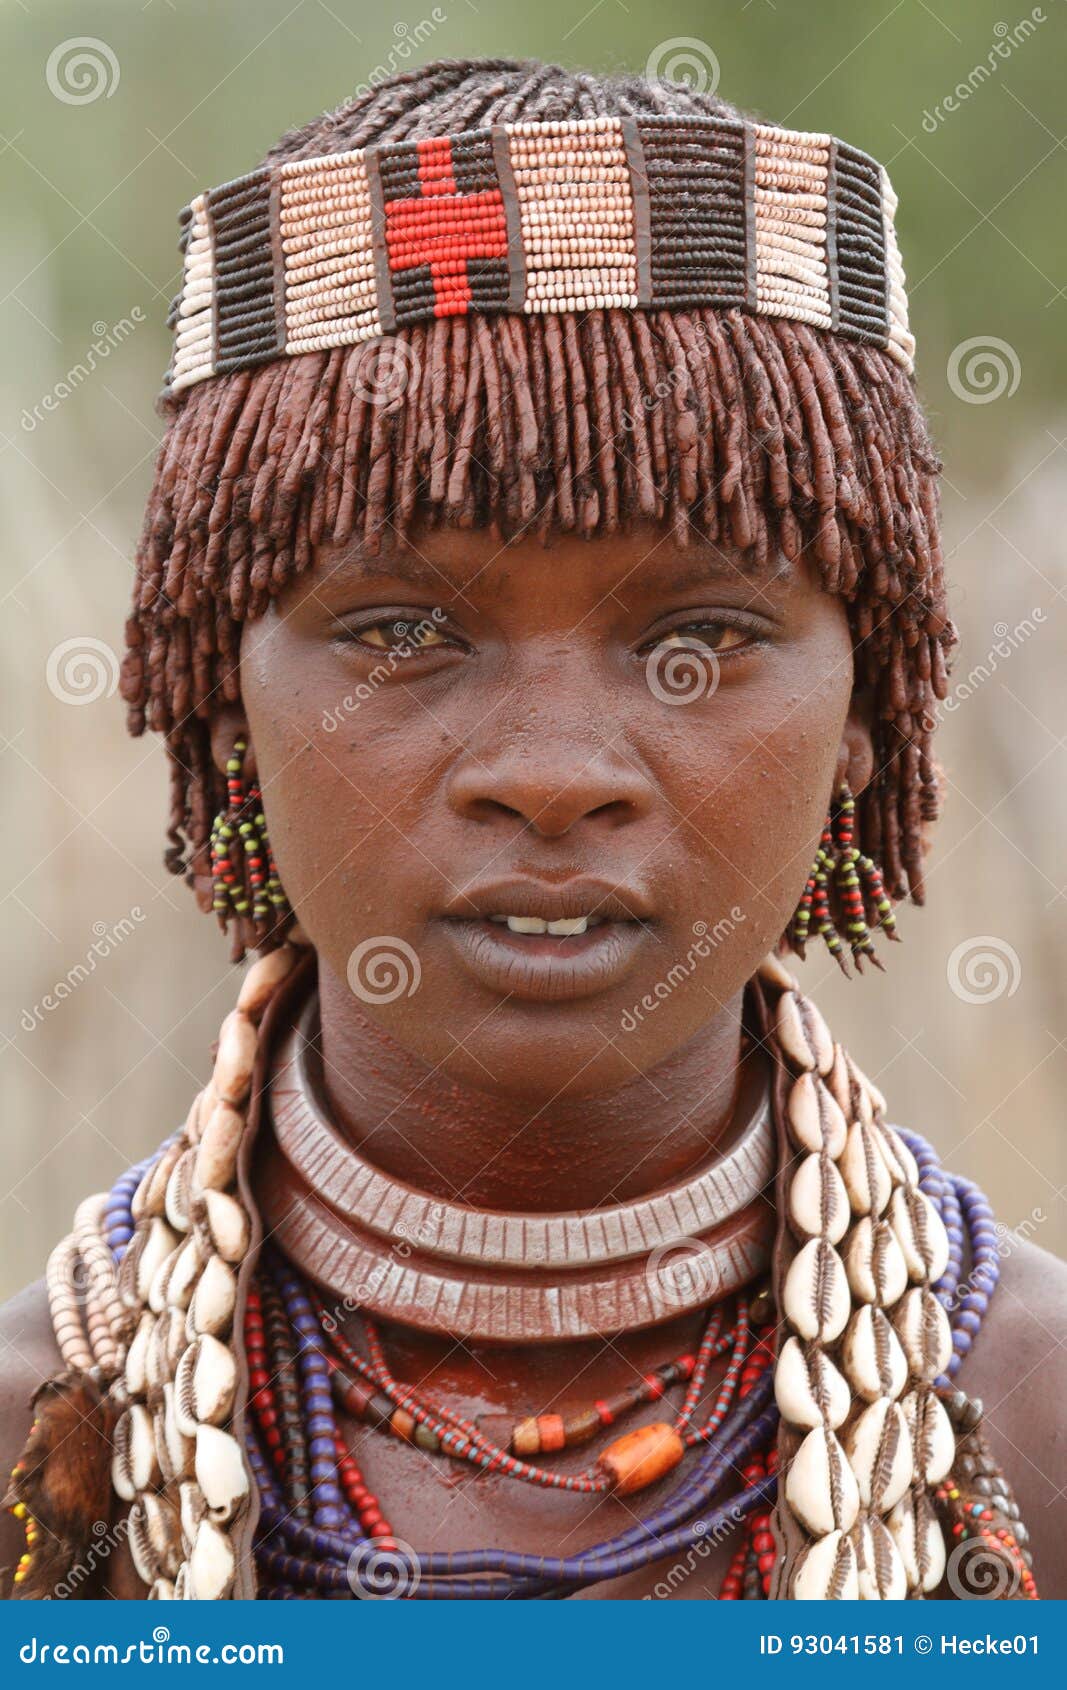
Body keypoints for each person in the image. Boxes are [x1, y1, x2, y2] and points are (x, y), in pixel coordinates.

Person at [2, 56, 1064, 1603]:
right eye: (398, 630)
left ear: (868, 717)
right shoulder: (48, 1432)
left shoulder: (1033, 1426)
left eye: (697, 632)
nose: (554, 772)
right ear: (222, 701)